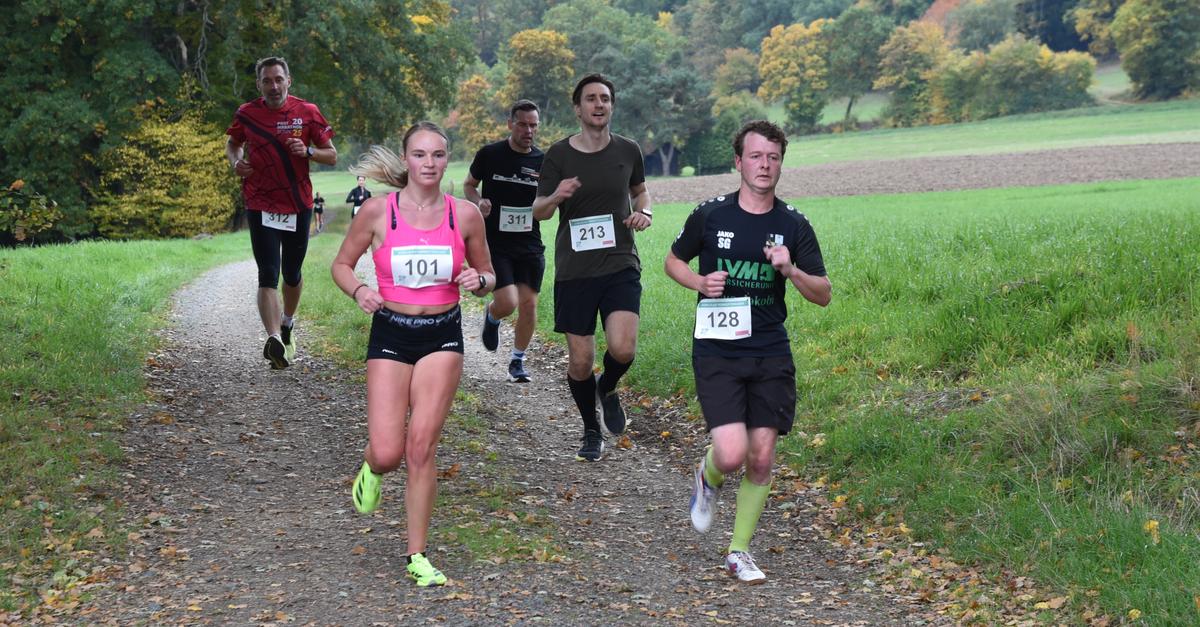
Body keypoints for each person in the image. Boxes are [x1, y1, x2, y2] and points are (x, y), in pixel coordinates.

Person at [665, 120, 831, 584]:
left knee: (762, 457)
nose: (765, 165)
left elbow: (823, 293)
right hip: (718, 348)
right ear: (738, 162)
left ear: (781, 163)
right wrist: (699, 282)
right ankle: (708, 475)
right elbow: (672, 260)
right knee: (733, 453)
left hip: (770, 351)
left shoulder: (793, 224)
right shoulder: (711, 215)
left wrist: (790, 269)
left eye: (773, 157)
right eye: (756, 156)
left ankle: (739, 551)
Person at [330, 122, 495, 587]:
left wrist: (478, 282)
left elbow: (488, 274)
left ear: (447, 160)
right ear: (407, 160)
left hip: (441, 334)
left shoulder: (464, 215)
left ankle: (417, 554)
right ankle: (373, 466)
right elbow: (341, 264)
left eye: (438, 155)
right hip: (391, 333)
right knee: (388, 451)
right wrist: (360, 290)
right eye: (420, 155)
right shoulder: (377, 212)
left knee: (420, 447)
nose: (429, 163)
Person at [533, 73, 653, 462]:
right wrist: (557, 194)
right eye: (591, 99)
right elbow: (539, 211)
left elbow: (639, 190)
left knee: (623, 347)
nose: (598, 104)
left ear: (611, 105)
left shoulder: (628, 150)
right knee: (581, 361)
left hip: (620, 262)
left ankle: (610, 387)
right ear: (578, 108)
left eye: (605, 98)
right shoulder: (558, 155)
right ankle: (589, 428)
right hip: (575, 271)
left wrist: (644, 211)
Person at [225, 56, 336, 370]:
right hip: (260, 203)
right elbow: (233, 144)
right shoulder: (247, 114)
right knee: (267, 274)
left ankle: (287, 323)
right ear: (259, 84)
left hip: (297, 204)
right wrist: (236, 162)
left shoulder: (308, 112)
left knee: (292, 273)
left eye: (278, 79)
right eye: (266, 81)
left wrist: (310, 151)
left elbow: (332, 155)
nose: (273, 86)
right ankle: (273, 338)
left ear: (289, 81)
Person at [462, 99, 545, 383]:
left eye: (533, 125)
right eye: (522, 124)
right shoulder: (489, 154)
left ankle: (517, 362)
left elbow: (547, 202)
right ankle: (493, 316)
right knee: (508, 302)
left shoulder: (542, 161)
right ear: (510, 123)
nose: (528, 130)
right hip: (495, 242)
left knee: (529, 304)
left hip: (530, 242)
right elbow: (469, 186)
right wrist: (478, 202)